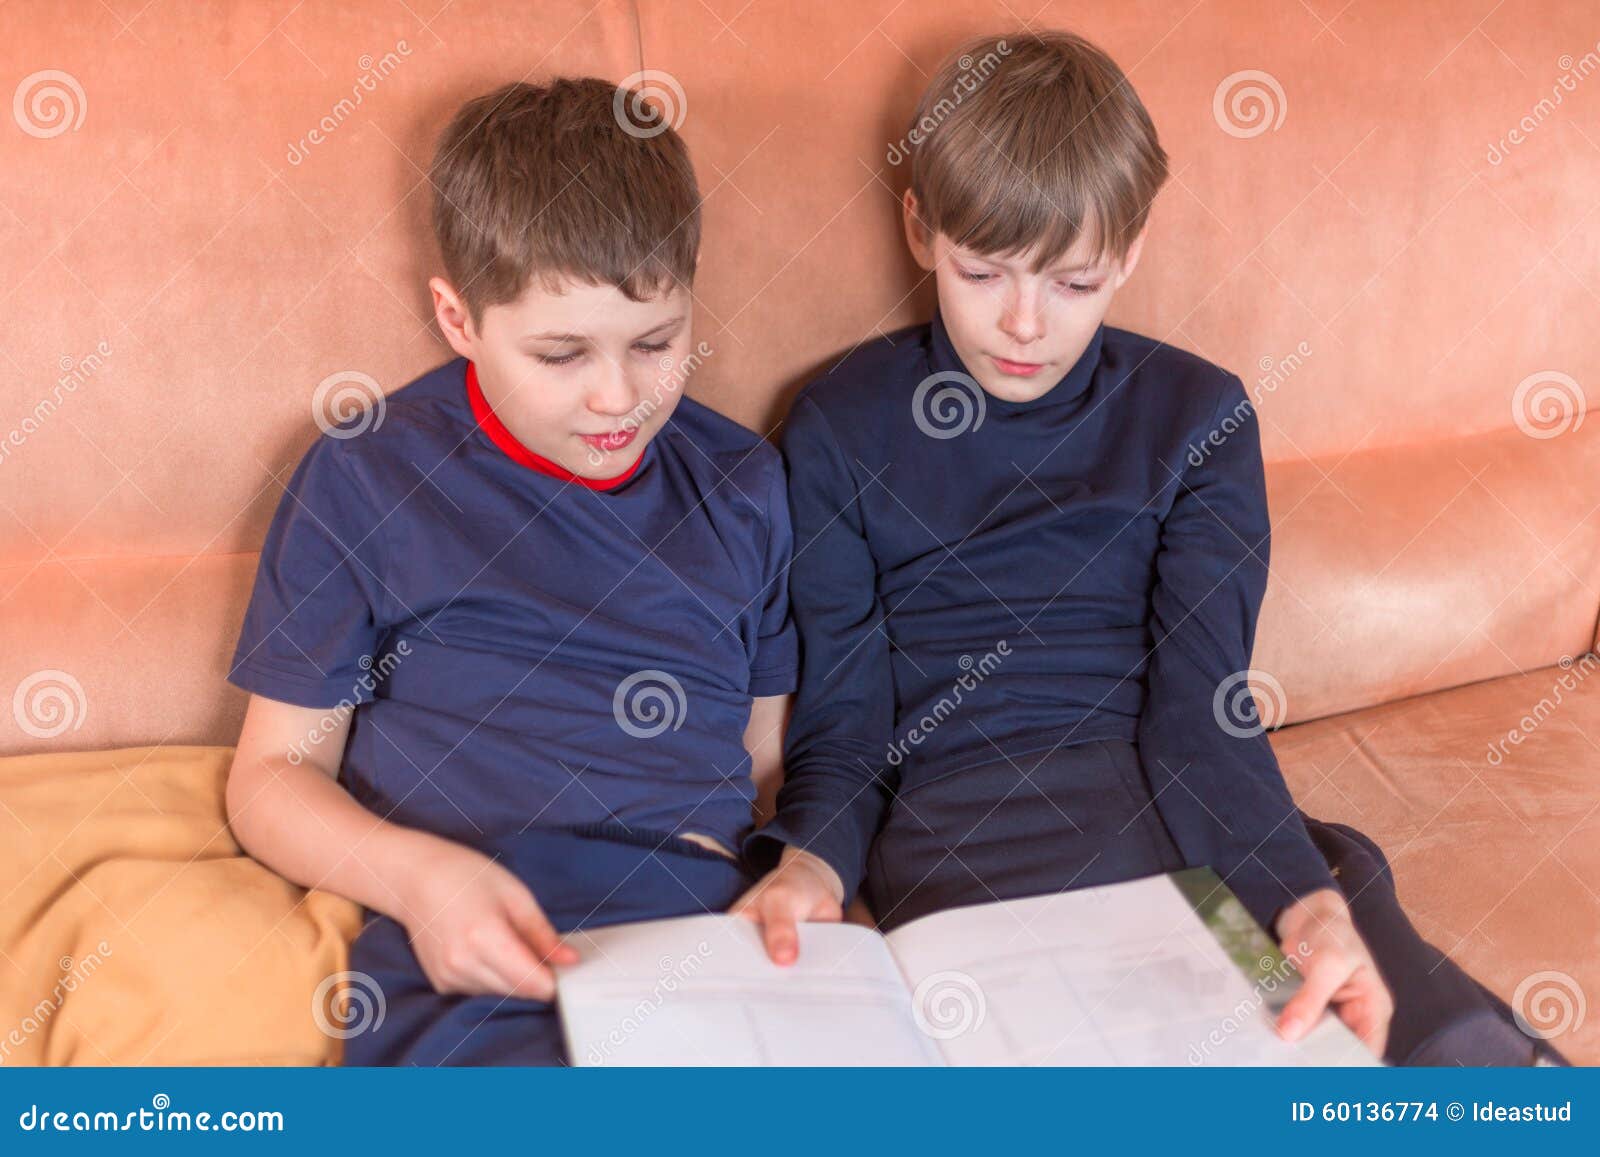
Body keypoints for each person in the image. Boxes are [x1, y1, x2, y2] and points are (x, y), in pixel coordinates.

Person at [732, 30, 1566, 1067]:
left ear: (1128, 250)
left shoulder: (1196, 416)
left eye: (1074, 283)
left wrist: (1288, 892)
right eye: (981, 270)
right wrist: (812, 857)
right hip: (964, 839)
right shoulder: (838, 425)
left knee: (1402, 1044)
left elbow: (1201, 709)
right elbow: (848, 721)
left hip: (1183, 817)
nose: (1023, 324)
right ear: (919, 227)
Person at [223, 78, 797, 1065]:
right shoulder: (368, 472)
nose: (618, 395)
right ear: (457, 318)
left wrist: (797, 872)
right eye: (561, 352)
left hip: (699, 909)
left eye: (657, 342)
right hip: (473, 906)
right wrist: (417, 880)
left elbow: (768, 759)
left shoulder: (741, 482)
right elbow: (273, 773)